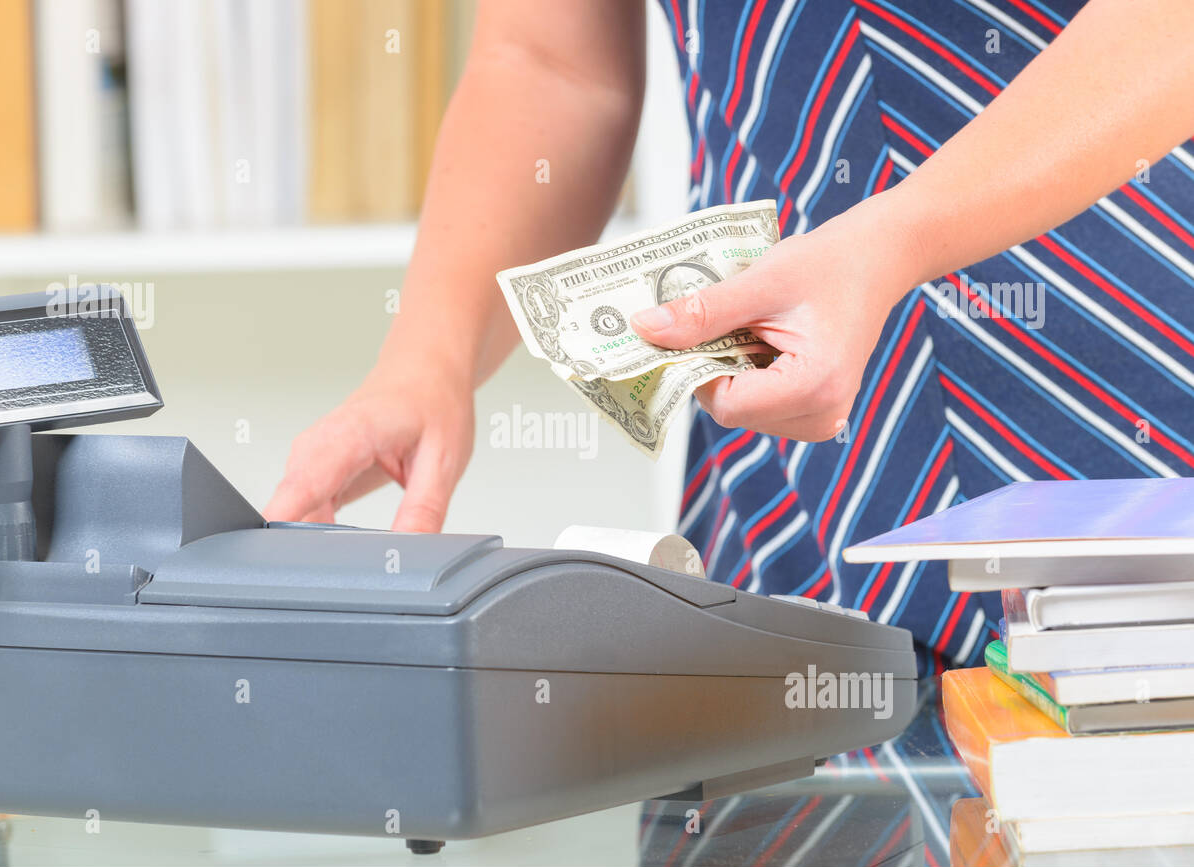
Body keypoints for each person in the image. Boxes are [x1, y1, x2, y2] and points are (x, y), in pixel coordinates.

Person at [266, 0, 1194, 673]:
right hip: (785, 487)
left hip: (1131, 381)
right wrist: (431, 354)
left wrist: (896, 237)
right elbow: (552, 63)